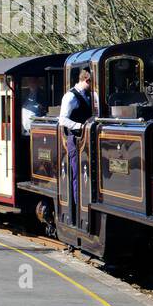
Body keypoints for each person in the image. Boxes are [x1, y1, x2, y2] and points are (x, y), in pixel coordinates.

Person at [58, 70, 94, 215]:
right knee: (76, 173)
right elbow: (63, 120)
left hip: (87, 140)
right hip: (76, 139)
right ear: (87, 80)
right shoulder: (70, 96)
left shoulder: (90, 96)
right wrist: (81, 127)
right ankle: (77, 206)